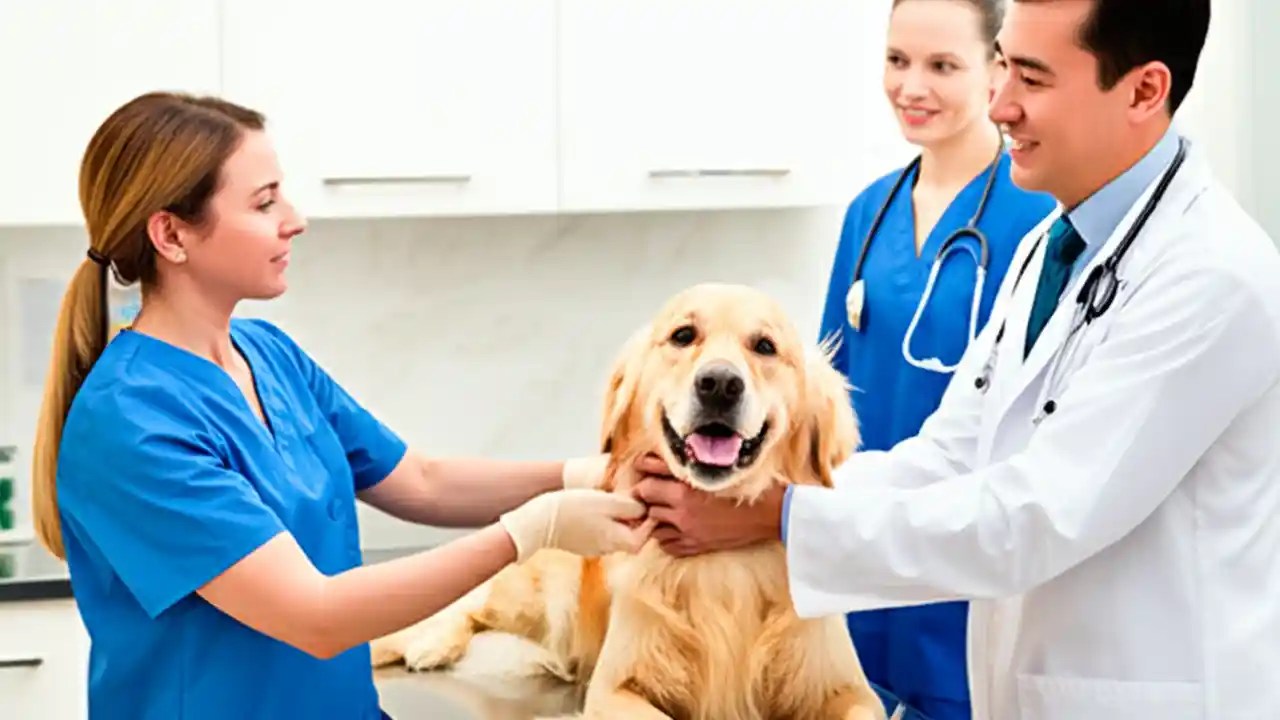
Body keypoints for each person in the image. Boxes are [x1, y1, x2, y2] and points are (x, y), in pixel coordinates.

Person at [634, 1, 1280, 717]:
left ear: (1143, 91)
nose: (999, 103)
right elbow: (950, 454)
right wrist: (752, 490)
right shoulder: (1055, 248)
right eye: (1001, 63)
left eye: (1031, 78)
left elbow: (1039, 515)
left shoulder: (1213, 276)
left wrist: (782, 518)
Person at [30, 91, 651, 720]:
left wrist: (586, 475)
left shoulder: (267, 353)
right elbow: (316, 617)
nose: (293, 219)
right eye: (264, 201)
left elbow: (420, 481)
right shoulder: (130, 422)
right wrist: (532, 532)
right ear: (171, 233)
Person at [816, 0, 1054, 716]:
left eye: (941, 65)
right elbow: (818, 396)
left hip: (967, 573)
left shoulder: (1038, 218)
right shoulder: (868, 213)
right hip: (857, 562)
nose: (910, 87)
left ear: (996, 71)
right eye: (897, 60)